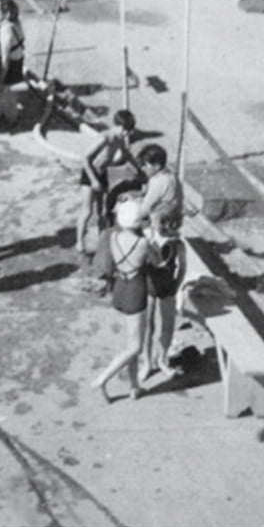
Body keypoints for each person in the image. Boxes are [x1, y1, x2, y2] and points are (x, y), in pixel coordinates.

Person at [130, 143, 186, 381]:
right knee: (167, 317)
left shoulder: (158, 182)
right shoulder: (173, 179)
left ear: (154, 164)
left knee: (150, 316)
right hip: (169, 250)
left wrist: (136, 203)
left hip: (156, 247)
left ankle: (147, 361)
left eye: (145, 165)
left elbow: (142, 211)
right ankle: (161, 359)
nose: (144, 169)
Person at [93, 197, 154, 403]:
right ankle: (103, 378)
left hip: (120, 287)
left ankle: (134, 386)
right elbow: (158, 261)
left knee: (131, 341)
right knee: (135, 347)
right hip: (136, 291)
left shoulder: (113, 237)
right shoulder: (143, 243)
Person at [80, 108, 142, 258]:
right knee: (87, 211)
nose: (126, 134)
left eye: (129, 131)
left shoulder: (119, 139)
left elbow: (127, 156)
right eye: (125, 130)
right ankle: (79, 243)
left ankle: (103, 241)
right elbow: (85, 159)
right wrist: (93, 181)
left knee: (102, 212)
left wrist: (139, 170)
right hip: (90, 174)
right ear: (117, 125)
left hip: (102, 174)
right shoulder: (105, 138)